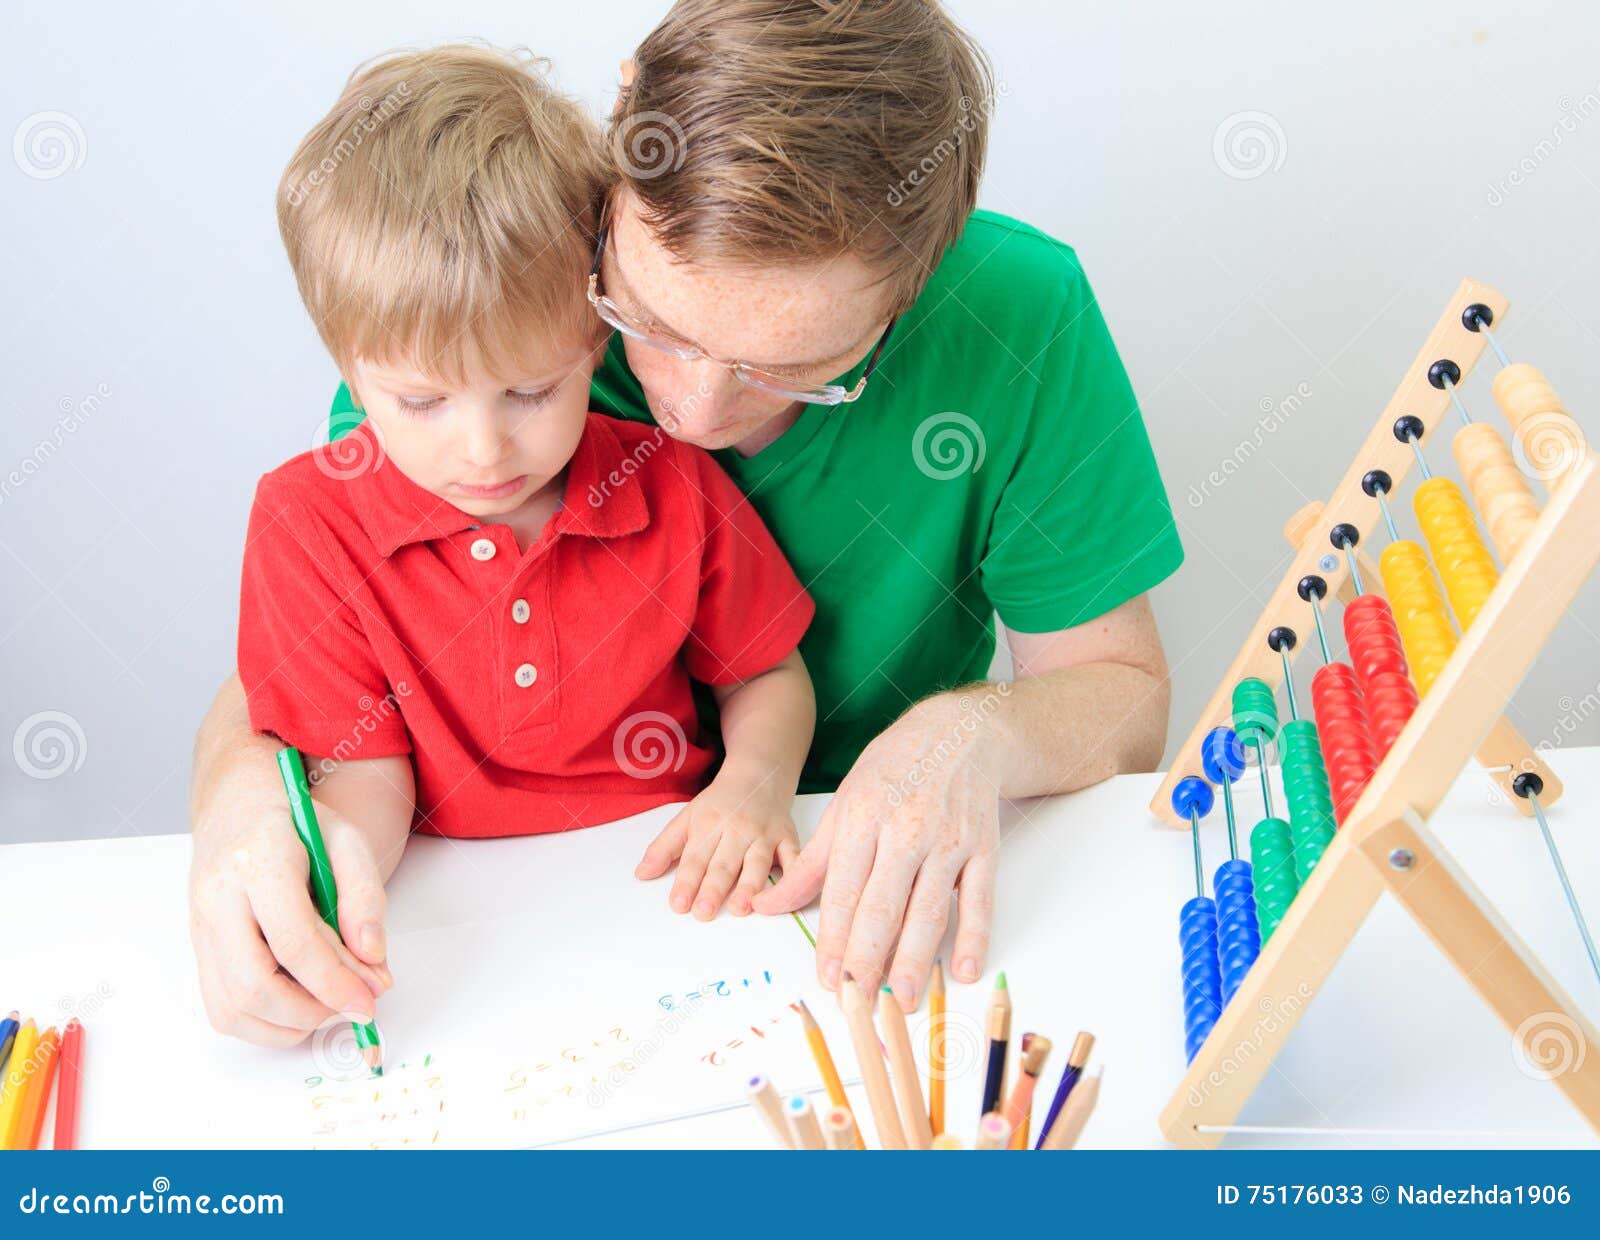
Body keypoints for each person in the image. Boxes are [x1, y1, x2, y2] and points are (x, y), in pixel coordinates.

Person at [192, 0, 1182, 1040]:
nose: (696, 414)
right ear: (620, 150)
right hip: (511, 912)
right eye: (646, 322)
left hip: (826, 918)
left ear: (923, 274)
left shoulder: (1019, 311)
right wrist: (239, 805)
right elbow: (326, 654)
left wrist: (967, 734)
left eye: (793, 367)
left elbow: (1119, 696)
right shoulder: (505, 284)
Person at [197, 44, 816, 1046]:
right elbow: (365, 771)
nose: (483, 449)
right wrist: (340, 866)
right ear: (346, 362)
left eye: (530, 391)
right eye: (421, 400)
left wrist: (752, 785)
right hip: (452, 920)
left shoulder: (668, 480)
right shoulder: (306, 521)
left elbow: (767, 673)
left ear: (596, 339)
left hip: (669, 898)